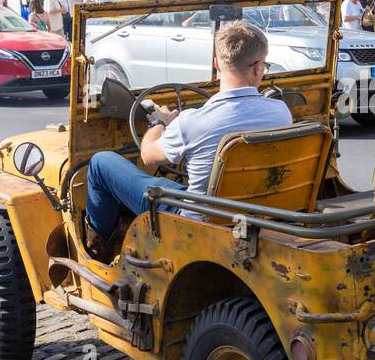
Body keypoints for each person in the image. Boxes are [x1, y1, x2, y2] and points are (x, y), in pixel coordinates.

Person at [82, 21, 293, 259]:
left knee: (100, 163)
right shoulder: (281, 112)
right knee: (179, 188)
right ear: (258, 69)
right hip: (258, 211)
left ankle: (100, 250)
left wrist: (159, 122)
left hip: (198, 221)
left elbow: (148, 156)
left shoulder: (191, 122)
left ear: (217, 66)